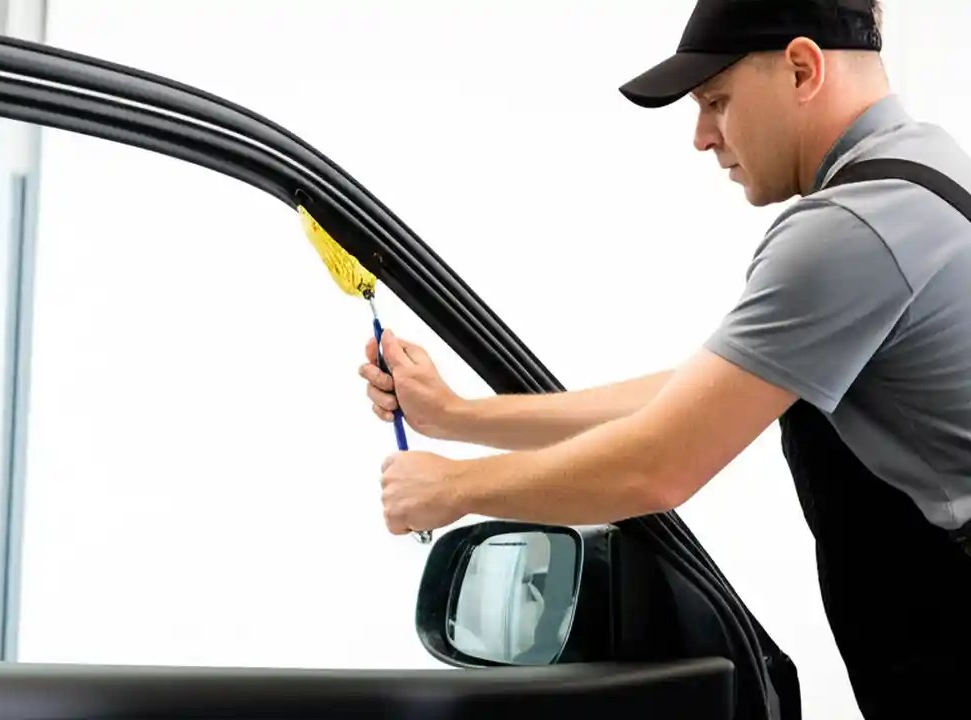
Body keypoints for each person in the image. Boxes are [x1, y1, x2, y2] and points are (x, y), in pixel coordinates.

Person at [362, 0, 971, 716]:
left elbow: (656, 464)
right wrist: (461, 417)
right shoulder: (923, 171)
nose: (702, 136)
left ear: (803, 68)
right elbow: (709, 390)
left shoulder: (850, 228)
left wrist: (453, 490)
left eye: (717, 101)